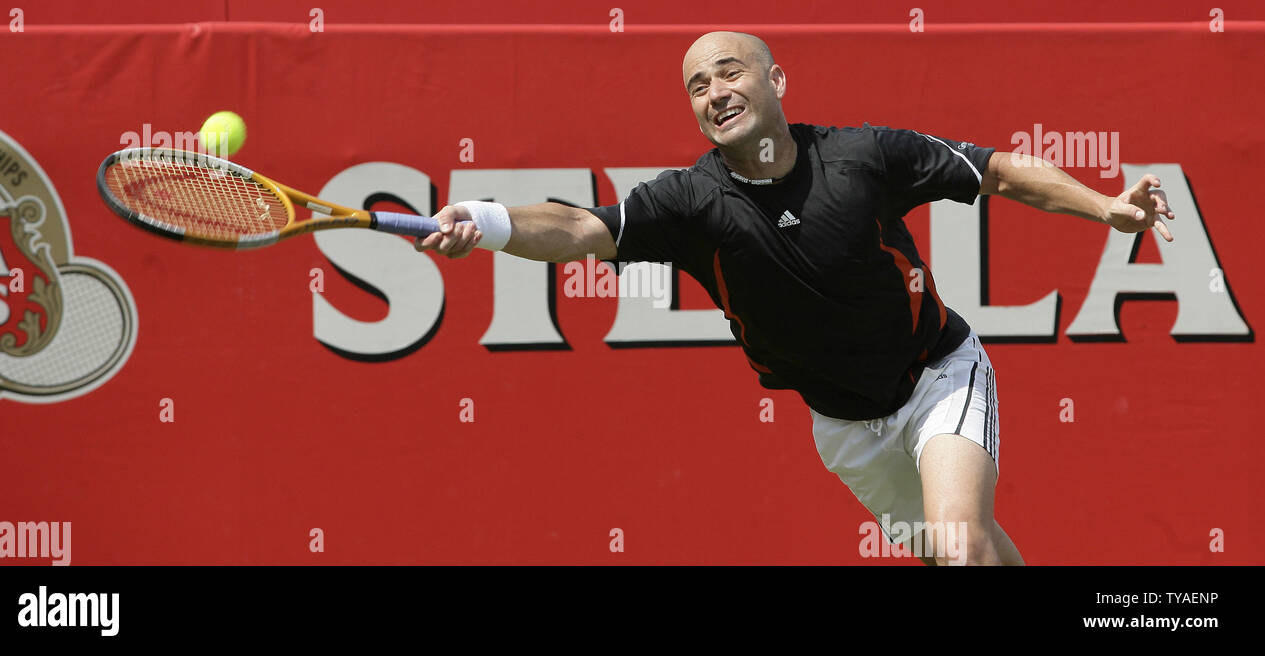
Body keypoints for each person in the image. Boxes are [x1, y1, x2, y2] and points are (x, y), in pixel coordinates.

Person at [414, 31, 1175, 565]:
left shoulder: (864, 156)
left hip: (938, 377)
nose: (716, 93)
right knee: (964, 557)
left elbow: (999, 171)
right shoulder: (689, 202)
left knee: (960, 542)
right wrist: (483, 222)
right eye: (698, 86)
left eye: (730, 72)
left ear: (775, 81)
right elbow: (581, 227)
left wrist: (1105, 206)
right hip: (845, 429)